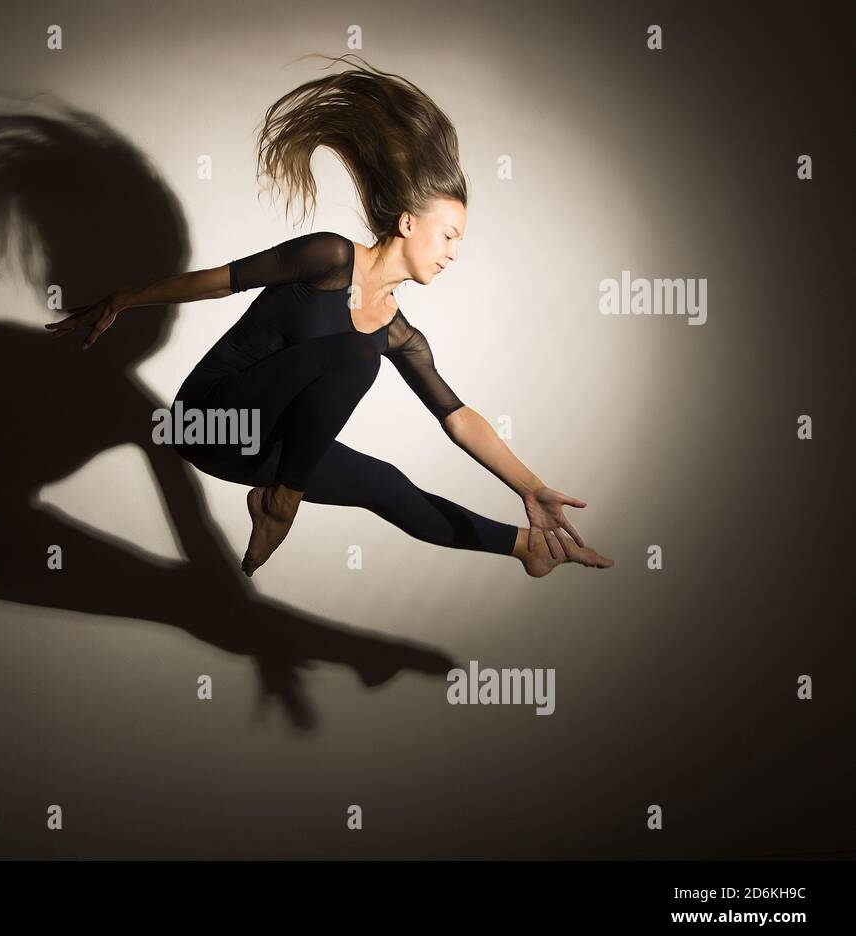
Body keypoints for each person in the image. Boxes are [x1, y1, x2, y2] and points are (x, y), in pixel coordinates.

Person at [47, 56, 613, 578]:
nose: (453, 253)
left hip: (266, 449)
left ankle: (523, 547)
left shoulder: (398, 332)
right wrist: (121, 298)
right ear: (410, 223)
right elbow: (217, 282)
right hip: (207, 418)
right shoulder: (329, 257)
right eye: (449, 234)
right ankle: (281, 499)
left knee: (384, 483)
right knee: (357, 352)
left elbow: (458, 417)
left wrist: (531, 488)